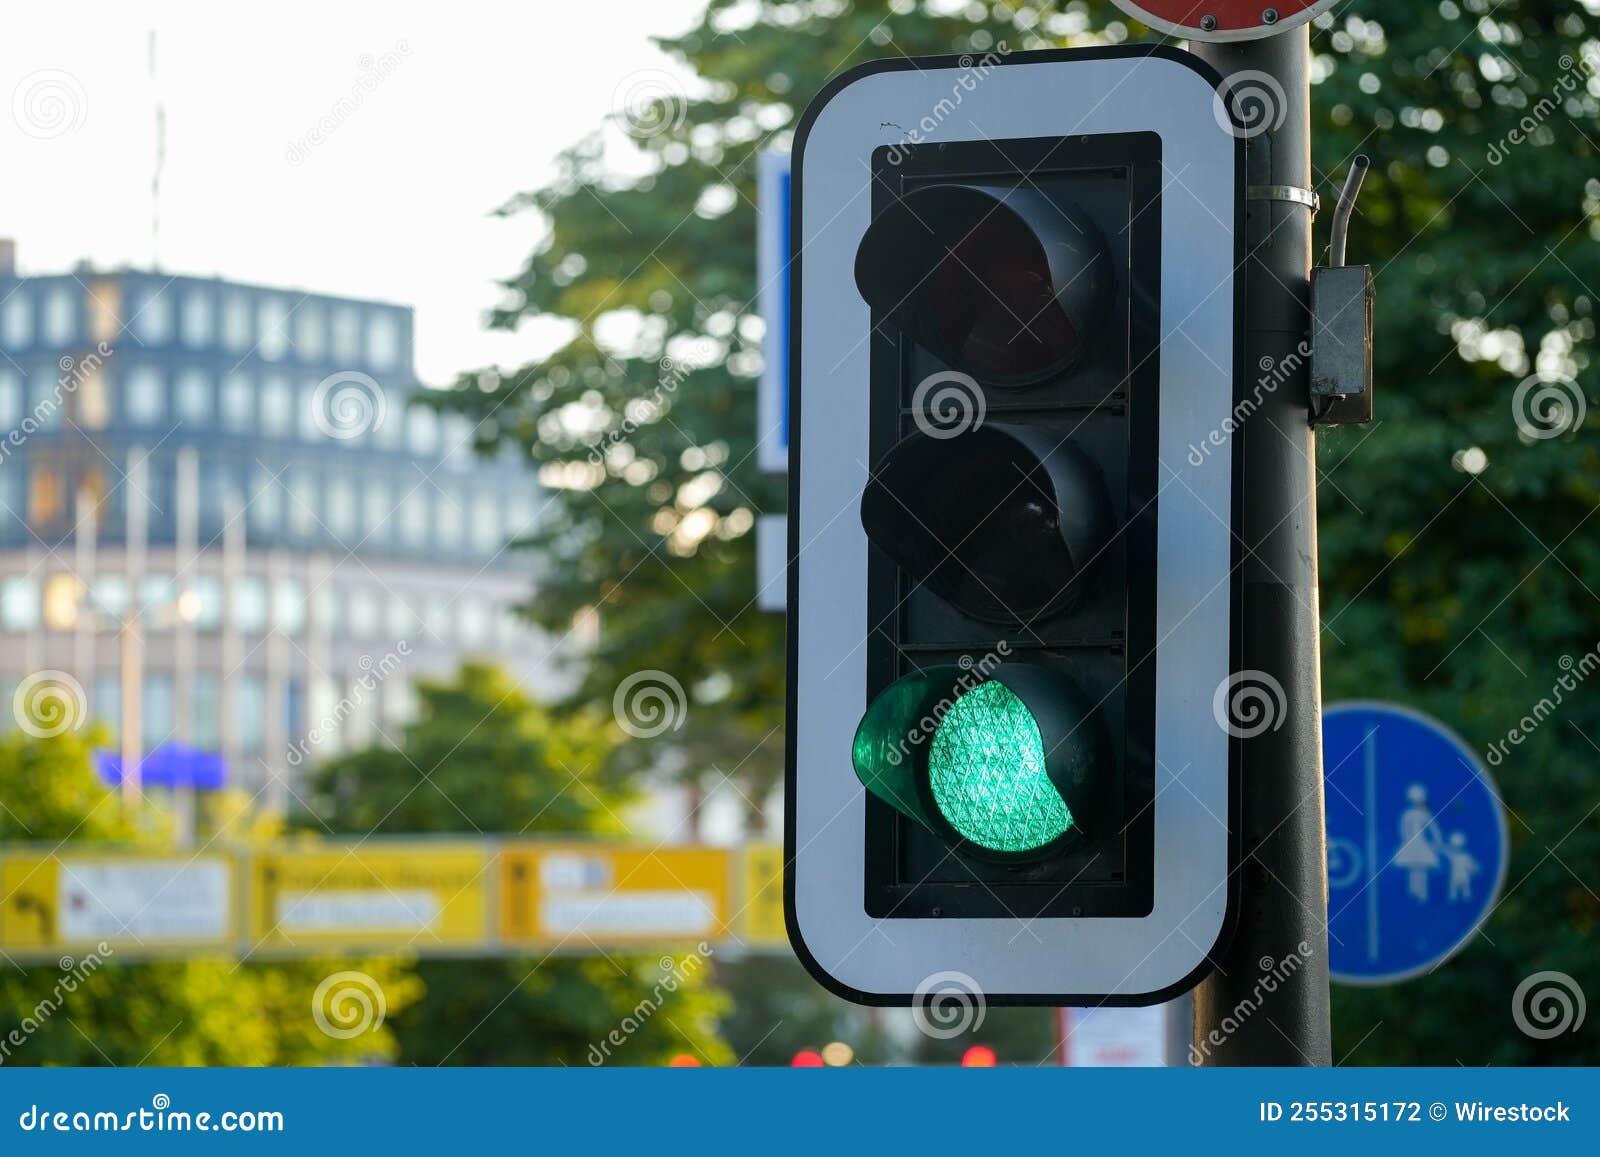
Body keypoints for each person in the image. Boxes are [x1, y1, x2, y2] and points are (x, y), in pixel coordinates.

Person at [1395, 784, 1443, 903]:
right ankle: (1415, 894)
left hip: (1417, 844)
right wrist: (1437, 842)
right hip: (1415, 844)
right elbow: (1404, 830)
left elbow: (1434, 829)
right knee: (1416, 869)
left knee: (1418, 869)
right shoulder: (1410, 814)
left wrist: (1438, 842)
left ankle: (1419, 894)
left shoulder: (1418, 814)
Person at [1443, 831, 1480, 902]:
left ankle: (1465, 904)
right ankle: (1455, 904)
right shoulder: (1455, 855)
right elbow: (1445, 851)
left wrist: (1475, 870)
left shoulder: (1465, 856)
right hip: (1457, 878)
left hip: (1463, 878)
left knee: (1464, 893)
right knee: (1455, 894)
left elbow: (1471, 866)